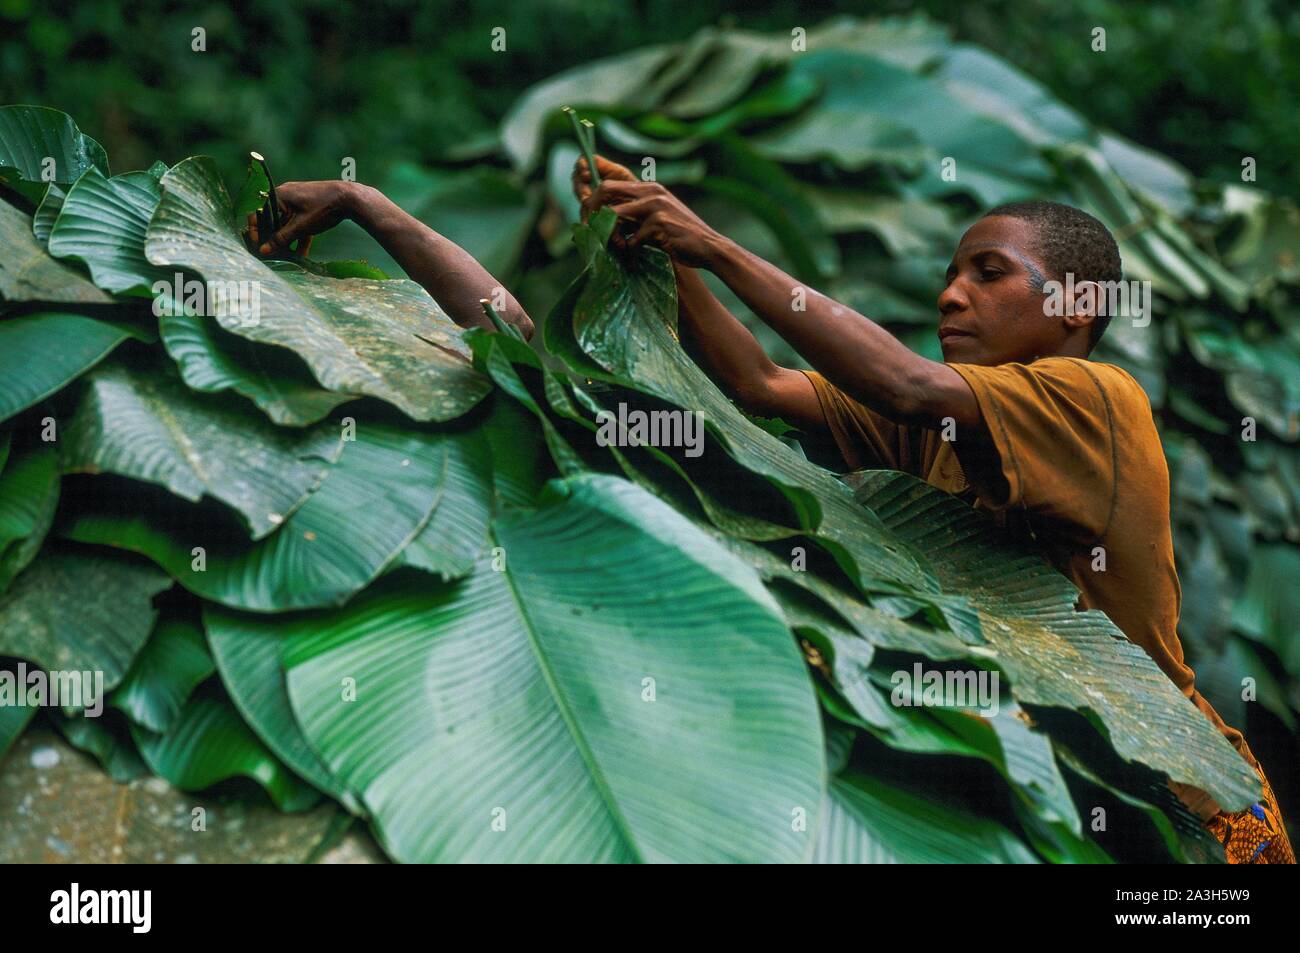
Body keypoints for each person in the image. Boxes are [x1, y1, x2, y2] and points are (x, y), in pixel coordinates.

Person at [249, 158, 1290, 863]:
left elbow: (903, 382)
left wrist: (714, 247)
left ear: (1077, 308)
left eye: (988, 274)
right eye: (949, 273)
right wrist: (657, 251)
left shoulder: (1093, 399)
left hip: (1180, 794)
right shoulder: (940, 431)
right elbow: (752, 385)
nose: (951, 297)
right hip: (1046, 763)